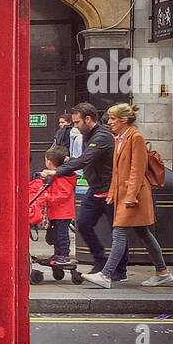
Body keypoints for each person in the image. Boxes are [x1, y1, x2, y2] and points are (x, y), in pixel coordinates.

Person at [84, 104, 173, 289]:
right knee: (144, 233)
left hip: (134, 195)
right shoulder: (119, 138)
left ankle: (106, 274)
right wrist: (112, 192)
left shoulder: (136, 138)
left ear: (123, 120)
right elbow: (117, 171)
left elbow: (137, 170)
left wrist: (131, 196)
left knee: (118, 232)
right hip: (124, 193)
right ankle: (163, 272)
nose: (109, 122)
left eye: (112, 119)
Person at [43, 102, 126, 280]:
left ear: (88, 119)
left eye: (77, 122)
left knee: (117, 231)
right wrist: (69, 160)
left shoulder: (101, 136)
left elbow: (86, 159)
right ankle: (100, 260)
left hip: (110, 190)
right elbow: (83, 159)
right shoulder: (87, 134)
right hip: (95, 188)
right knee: (83, 223)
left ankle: (120, 270)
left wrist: (57, 170)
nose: (75, 126)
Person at [41, 145, 76, 266]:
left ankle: (64, 255)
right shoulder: (57, 176)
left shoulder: (61, 178)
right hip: (57, 212)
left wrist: (47, 197)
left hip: (62, 213)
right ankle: (58, 254)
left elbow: (63, 194)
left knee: (61, 235)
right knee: (56, 235)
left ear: (49, 163)